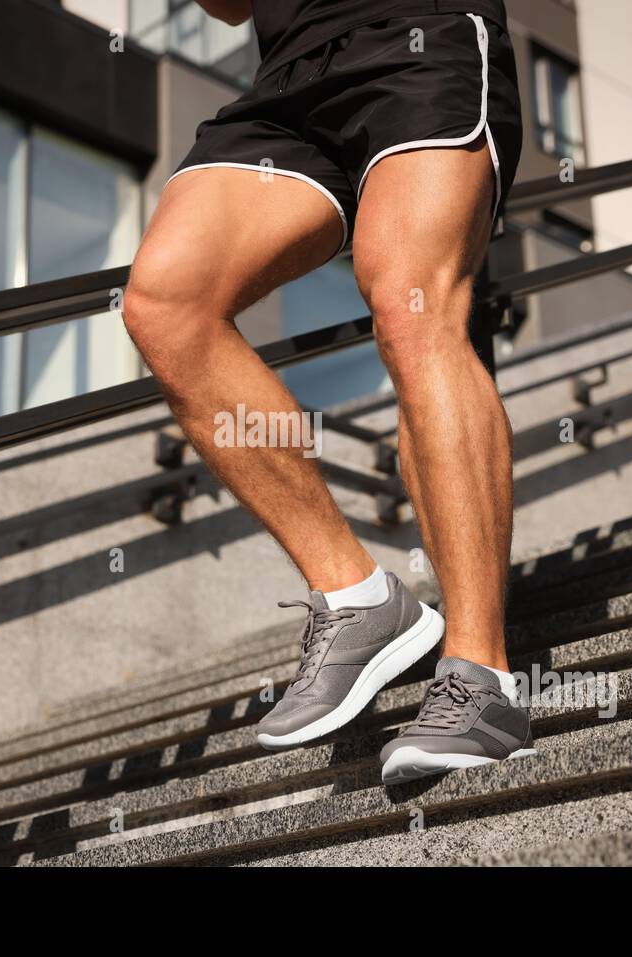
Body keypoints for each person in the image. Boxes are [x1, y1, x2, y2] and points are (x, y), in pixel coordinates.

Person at [122, 0, 534, 783]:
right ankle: (356, 595)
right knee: (165, 302)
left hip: (419, 32)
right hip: (290, 75)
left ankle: (482, 678)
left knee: (412, 306)